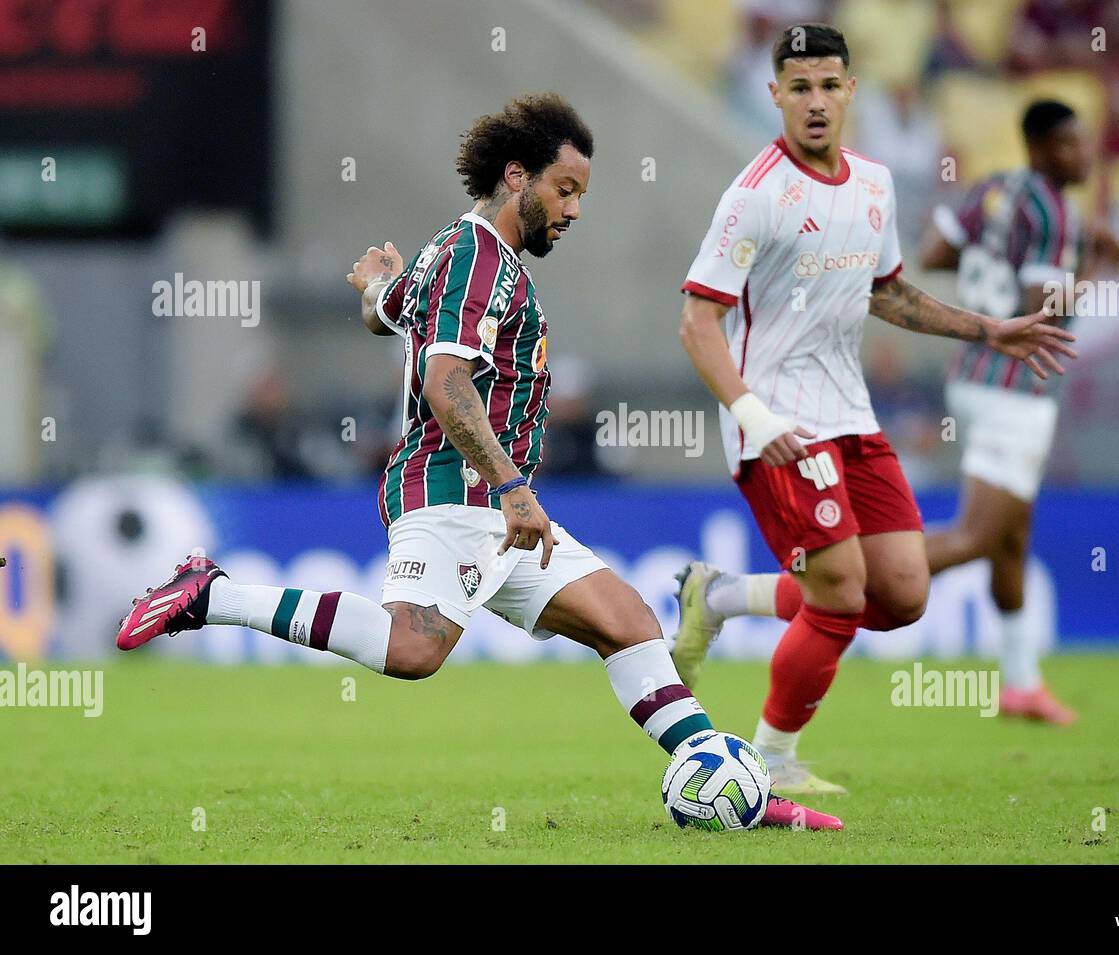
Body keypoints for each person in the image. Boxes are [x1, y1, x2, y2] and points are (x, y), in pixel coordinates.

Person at [115, 93, 837, 830]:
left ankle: (734, 786)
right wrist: (515, 487)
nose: (575, 210)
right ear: (518, 177)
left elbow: (389, 312)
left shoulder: (451, 252)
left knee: (627, 621)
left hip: (494, 506)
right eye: (566, 189)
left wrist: (373, 288)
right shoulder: (476, 259)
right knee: (412, 648)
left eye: (581, 194)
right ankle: (210, 594)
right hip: (454, 493)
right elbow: (444, 379)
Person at [672, 25, 1076, 795]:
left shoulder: (874, 183)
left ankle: (718, 596)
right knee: (838, 594)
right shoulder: (754, 194)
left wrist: (988, 327)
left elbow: (887, 291)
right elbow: (697, 320)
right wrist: (755, 419)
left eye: (829, 85)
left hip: (852, 418)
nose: (816, 102)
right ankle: (773, 762)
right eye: (800, 88)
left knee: (901, 594)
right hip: (779, 425)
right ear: (775, 96)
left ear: (850, 90)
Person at [917, 100, 1099, 725]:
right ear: (1043, 149)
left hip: (970, 375)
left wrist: (989, 261)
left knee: (1011, 540)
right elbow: (1041, 316)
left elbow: (935, 249)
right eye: (1073, 145)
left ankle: (1021, 684)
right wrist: (1096, 264)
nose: (1086, 156)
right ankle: (831, 583)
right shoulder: (1058, 210)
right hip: (1016, 388)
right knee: (978, 536)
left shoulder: (995, 189)